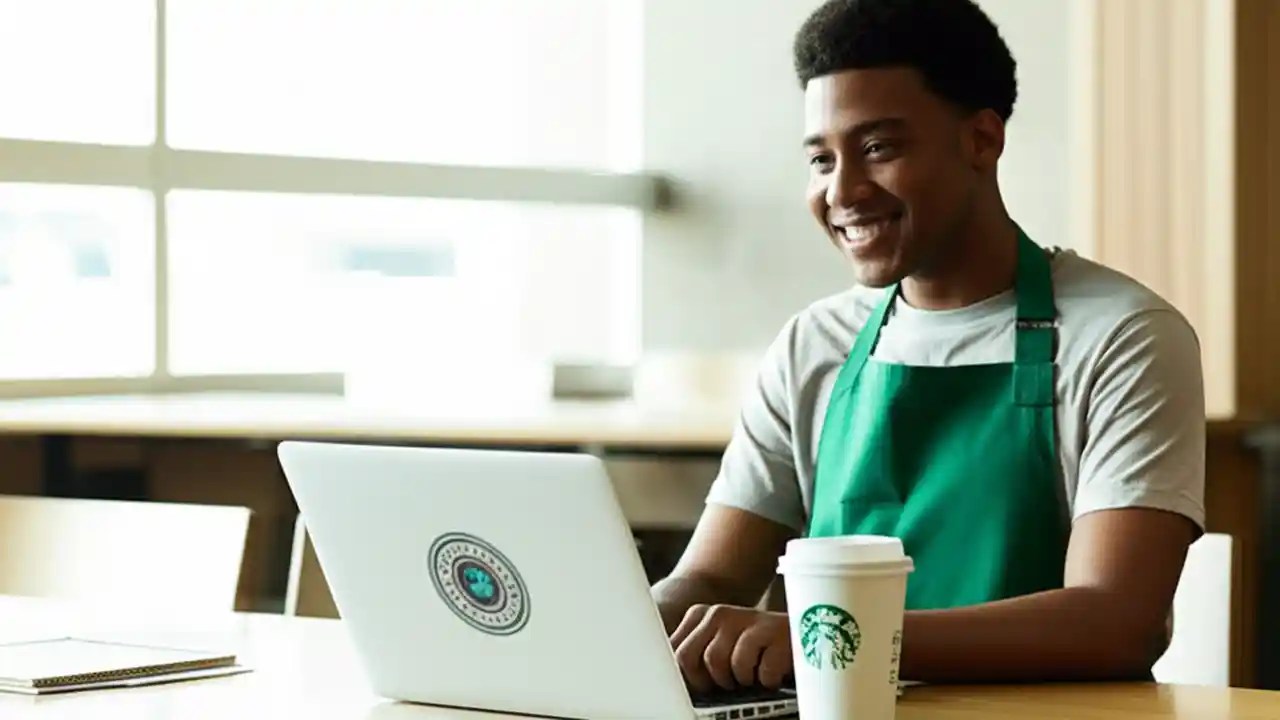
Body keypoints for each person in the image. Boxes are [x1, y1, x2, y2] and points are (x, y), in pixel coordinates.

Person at [652, 0, 1205, 693]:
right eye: (822, 159)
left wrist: (827, 643)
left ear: (981, 140)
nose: (842, 191)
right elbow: (712, 575)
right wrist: (626, 626)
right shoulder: (816, 344)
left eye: (879, 148)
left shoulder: (1122, 337)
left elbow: (1115, 621)